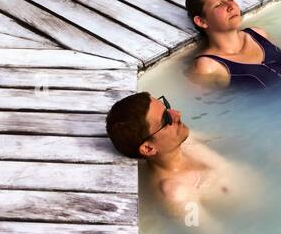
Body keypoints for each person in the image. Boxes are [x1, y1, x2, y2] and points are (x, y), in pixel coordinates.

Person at [105, 92, 251, 224]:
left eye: (167, 107)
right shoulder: (176, 192)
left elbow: (234, 141)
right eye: (166, 118)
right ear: (148, 148)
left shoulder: (186, 139)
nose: (177, 113)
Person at [185, 0, 281, 88]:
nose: (231, 6)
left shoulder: (258, 34)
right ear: (201, 21)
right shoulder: (208, 66)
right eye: (219, 4)